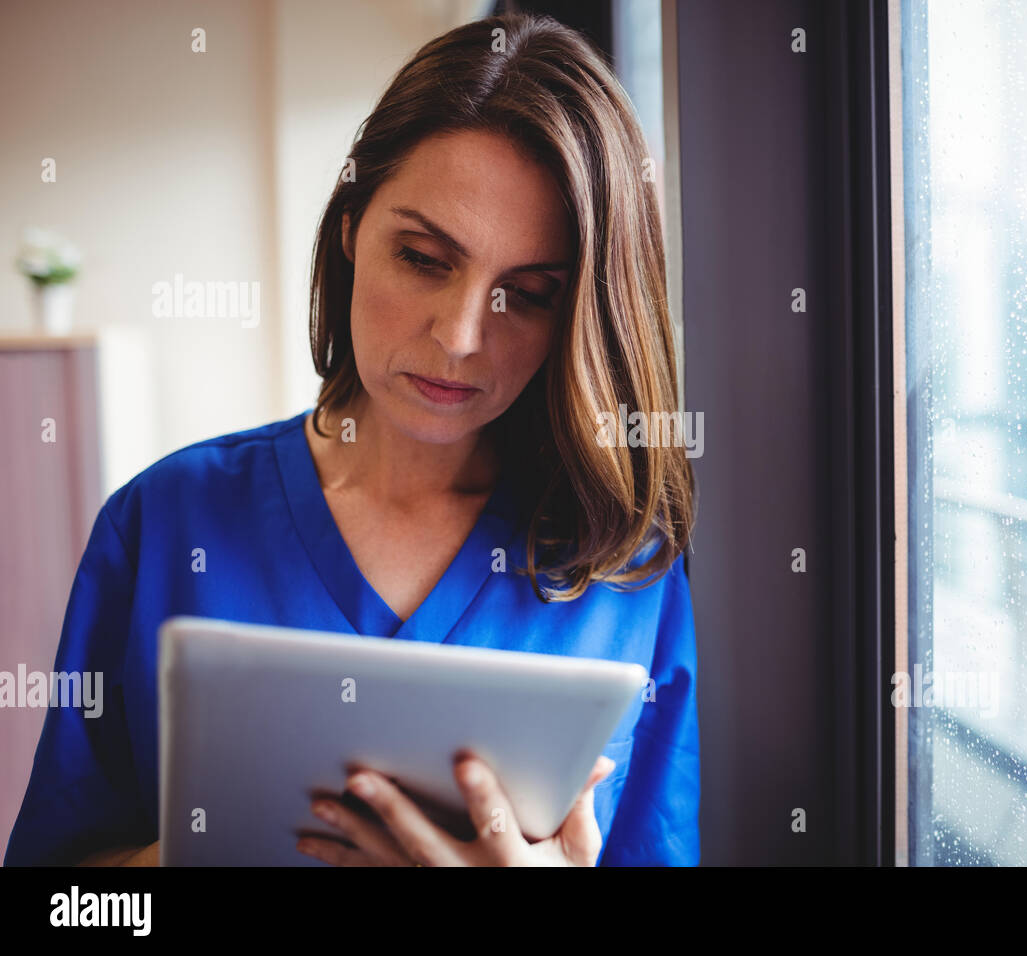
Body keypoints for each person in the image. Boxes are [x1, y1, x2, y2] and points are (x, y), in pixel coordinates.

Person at [4, 12, 699, 867]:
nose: (459, 337)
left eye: (528, 292)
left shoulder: (623, 569)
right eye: (424, 257)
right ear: (349, 231)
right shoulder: (164, 523)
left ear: (577, 317)